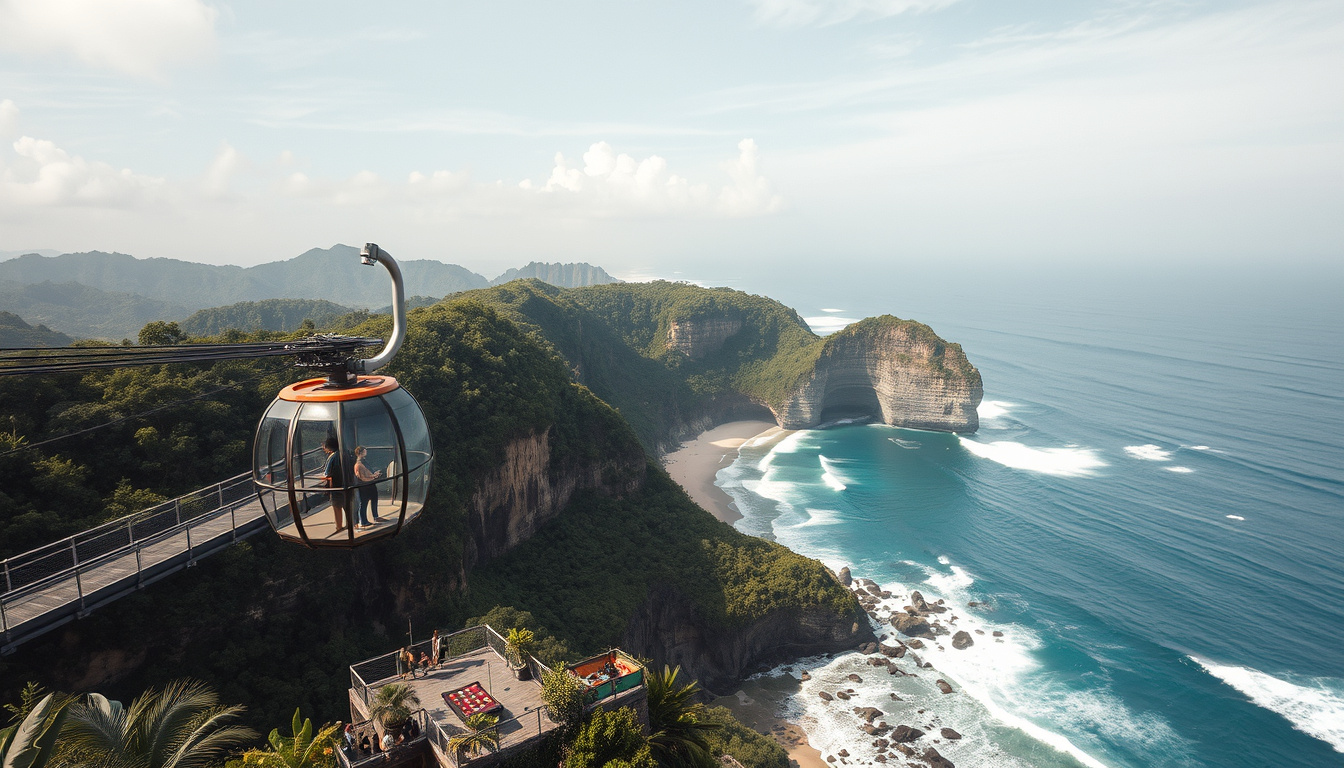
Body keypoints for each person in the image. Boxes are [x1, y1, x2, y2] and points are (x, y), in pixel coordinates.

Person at [352, 446, 384, 529]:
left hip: (370, 483)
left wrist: (374, 474)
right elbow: (362, 478)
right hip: (365, 486)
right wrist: (373, 477)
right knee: (363, 503)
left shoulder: (364, 461)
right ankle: (363, 521)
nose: (366, 452)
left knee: (374, 499)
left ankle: (375, 516)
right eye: (364, 451)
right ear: (360, 453)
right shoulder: (358, 464)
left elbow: (368, 472)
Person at [321, 436, 348, 533]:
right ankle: (351, 524)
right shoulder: (345, 453)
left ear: (329, 447)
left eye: (324, 446)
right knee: (347, 506)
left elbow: (327, 473)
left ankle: (339, 527)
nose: (324, 448)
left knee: (337, 507)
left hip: (336, 486)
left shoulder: (332, 457)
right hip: (347, 484)